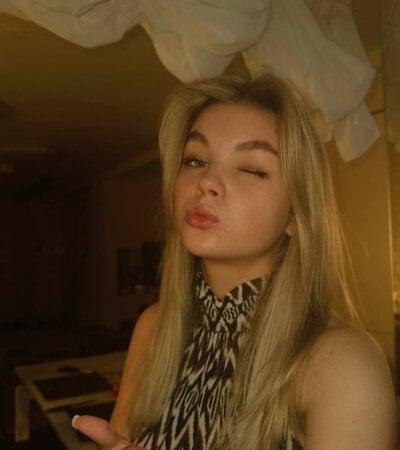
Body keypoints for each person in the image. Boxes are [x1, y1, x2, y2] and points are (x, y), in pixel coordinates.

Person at [72, 71, 397, 449]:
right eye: (195, 160)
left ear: (296, 215)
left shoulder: (341, 363)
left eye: (251, 168)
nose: (206, 181)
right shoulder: (153, 328)